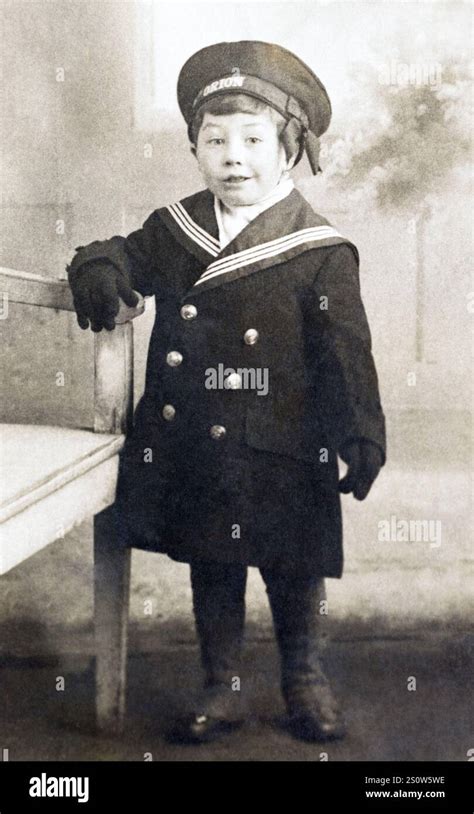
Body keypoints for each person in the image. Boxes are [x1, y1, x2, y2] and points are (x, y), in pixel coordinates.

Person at [67, 40, 386, 745]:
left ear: (291, 149)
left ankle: (304, 679)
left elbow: (346, 354)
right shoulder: (176, 230)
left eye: (252, 140)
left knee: (295, 566)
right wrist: (98, 268)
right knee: (214, 560)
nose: (233, 157)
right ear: (195, 148)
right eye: (215, 140)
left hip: (286, 442)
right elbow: (122, 254)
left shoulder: (318, 249)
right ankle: (223, 685)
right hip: (202, 442)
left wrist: (360, 431)